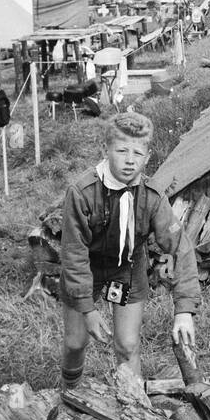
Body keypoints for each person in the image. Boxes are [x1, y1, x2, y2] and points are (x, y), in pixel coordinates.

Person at [57, 111, 200, 386]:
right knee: (75, 342)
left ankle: (134, 410)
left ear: (147, 157)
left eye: (137, 153)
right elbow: (74, 255)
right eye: (122, 150)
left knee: (127, 344)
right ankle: (69, 393)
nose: (129, 160)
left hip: (126, 270)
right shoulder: (82, 192)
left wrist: (184, 309)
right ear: (106, 150)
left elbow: (178, 248)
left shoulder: (151, 196)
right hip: (87, 266)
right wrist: (88, 309)